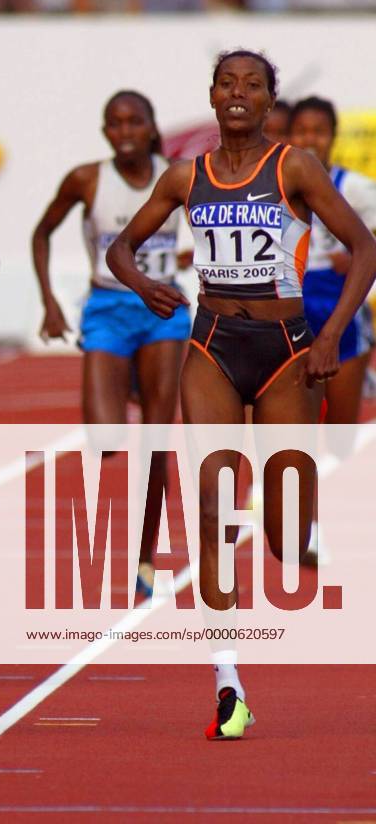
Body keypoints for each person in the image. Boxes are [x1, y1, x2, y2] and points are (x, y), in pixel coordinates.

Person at [107, 50, 376, 739]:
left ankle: (302, 532)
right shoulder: (185, 176)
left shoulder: (295, 168)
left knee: (284, 535)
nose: (237, 94)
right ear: (212, 94)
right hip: (212, 345)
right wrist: (144, 286)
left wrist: (331, 336)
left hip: (287, 350)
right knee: (211, 502)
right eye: (227, 83)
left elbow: (365, 247)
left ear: (268, 102)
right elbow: (120, 249)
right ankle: (227, 680)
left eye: (252, 85)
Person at [33, 90, 189, 598]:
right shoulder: (87, 179)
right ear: (106, 133)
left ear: (150, 127)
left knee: (155, 443)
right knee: (105, 441)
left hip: (163, 311)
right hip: (106, 309)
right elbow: (42, 233)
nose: (124, 132)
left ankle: (143, 558)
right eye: (114, 124)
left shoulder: (178, 175)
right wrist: (51, 304)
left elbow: (212, 230)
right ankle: (135, 387)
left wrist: (195, 265)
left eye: (133, 123)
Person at [293, 96, 376, 422]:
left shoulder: (353, 186)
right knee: (292, 426)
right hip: (292, 310)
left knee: (340, 431)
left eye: (319, 131)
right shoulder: (277, 186)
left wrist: (359, 252)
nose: (310, 139)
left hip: (339, 310)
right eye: (301, 131)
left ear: (333, 135)